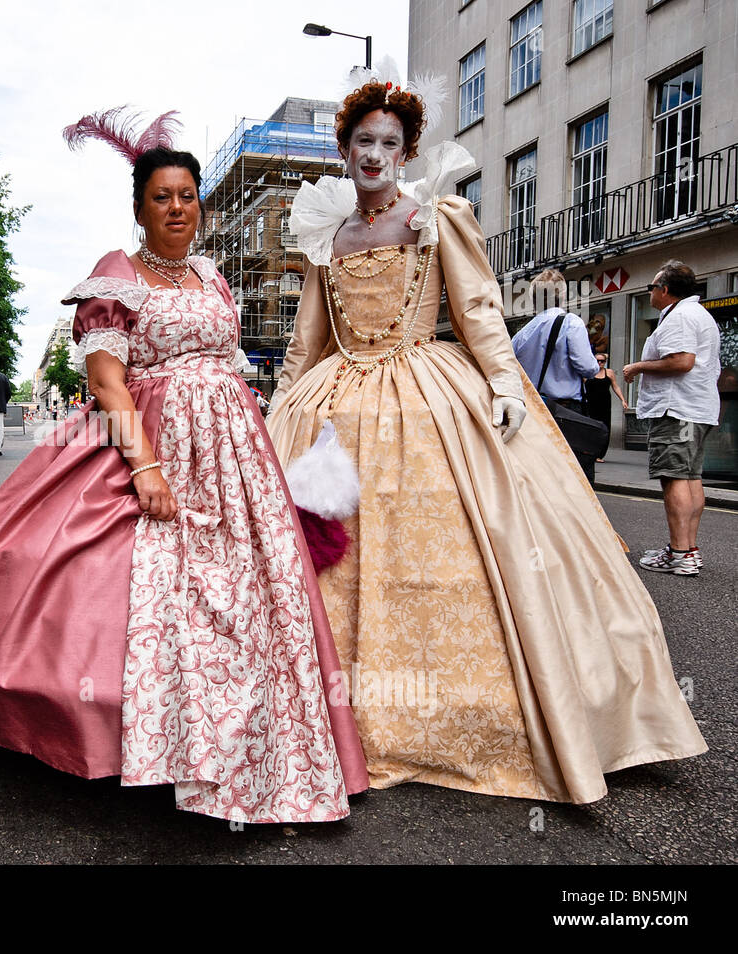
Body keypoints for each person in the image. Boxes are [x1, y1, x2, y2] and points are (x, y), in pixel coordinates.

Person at [266, 73, 706, 804]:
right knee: (326, 555)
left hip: (427, 396)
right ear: (344, 150)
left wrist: (504, 384)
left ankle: (450, 720)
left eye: (390, 143)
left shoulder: (435, 217)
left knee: (448, 554)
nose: (375, 155)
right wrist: (276, 410)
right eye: (363, 142)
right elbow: (306, 342)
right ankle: (334, 719)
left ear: (405, 154)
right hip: (333, 404)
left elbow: (476, 312)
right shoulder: (326, 237)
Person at [0, 113, 367, 824]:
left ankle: (253, 742)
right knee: (82, 569)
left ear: (201, 205)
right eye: (162, 197)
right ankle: (134, 736)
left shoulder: (215, 277)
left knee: (251, 593)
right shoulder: (116, 275)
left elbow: (227, 367)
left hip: (231, 451)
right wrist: (147, 467)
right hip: (147, 437)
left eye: (187, 195)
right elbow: (106, 382)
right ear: (139, 209)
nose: (177, 207)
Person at [624, 260, 721, 576]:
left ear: (664, 290)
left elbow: (682, 361)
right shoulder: (696, 314)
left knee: (675, 477)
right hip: (695, 409)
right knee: (691, 477)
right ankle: (687, 550)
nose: (650, 292)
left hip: (676, 409)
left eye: (652, 287)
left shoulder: (679, 317)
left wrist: (638, 367)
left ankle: (680, 553)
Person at [511, 269, 601, 477]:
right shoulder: (571, 322)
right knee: (573, 476)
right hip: (565, 412)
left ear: (534, 299)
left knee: (542, 475)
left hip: (533, 411)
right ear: (562, 295)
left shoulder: (522, 334)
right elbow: (587, 367)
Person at [586, 352, 628, 462]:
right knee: (591, 428)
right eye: (597, 361)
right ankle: (590, 453)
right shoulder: (588, 372)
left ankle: (599, 454)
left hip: (604, 404)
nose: (599, 363)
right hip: (590, 404)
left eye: (602, 361)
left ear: (605, 362)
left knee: (604, 428)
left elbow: (616, 386)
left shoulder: (609, 373)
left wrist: (623, 400)